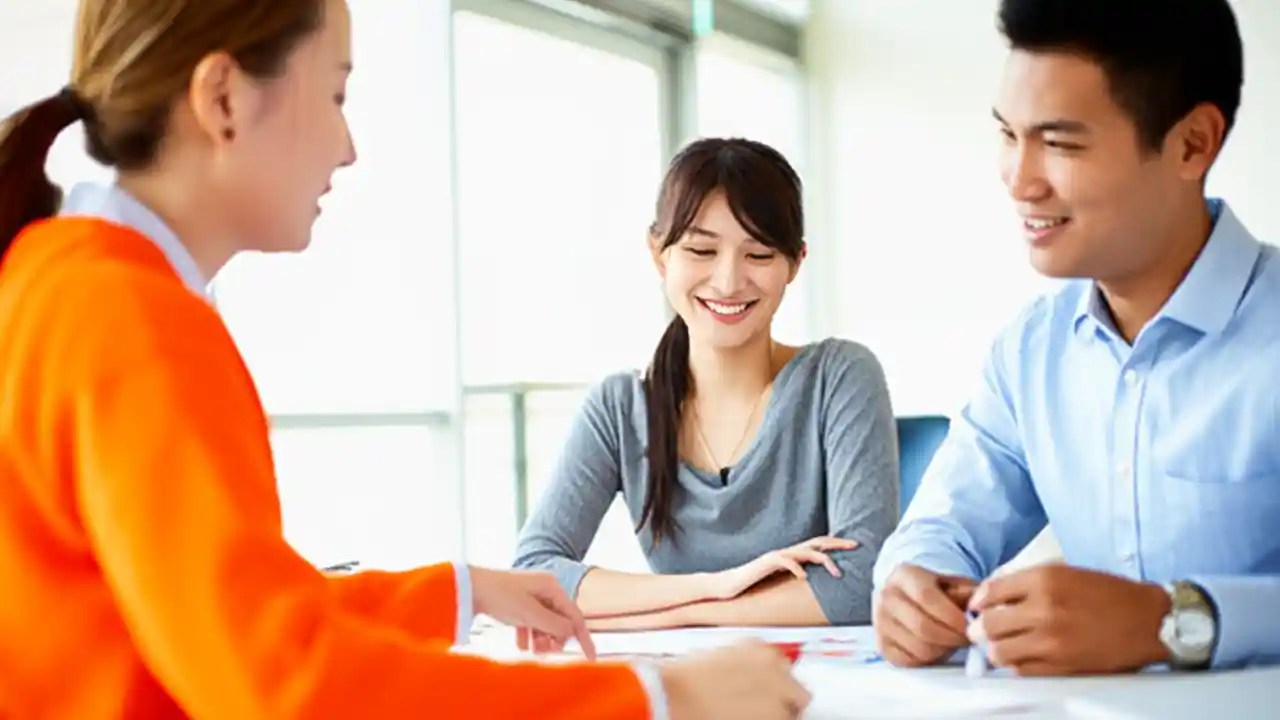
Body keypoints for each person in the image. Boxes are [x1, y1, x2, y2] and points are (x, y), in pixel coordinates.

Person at [0, 2, 811, 718]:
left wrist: (458, 592)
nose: (348, 148)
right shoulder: (135, 320)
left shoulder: (63, 282)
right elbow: (286, 684)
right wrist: (661, 698)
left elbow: (229, 613)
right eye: (336, 94)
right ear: (222, 100)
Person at [873, 0, 1278, 676]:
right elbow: (941, 526)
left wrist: (1170, 620)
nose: (1019, 180)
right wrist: (914, 585)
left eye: (1059, 143)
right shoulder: (1031, 350)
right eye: (1008, 134)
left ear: (1193, 143)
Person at [515, 137, 898, 630]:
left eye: (758, 254)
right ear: (659, 254)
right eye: (700, 249)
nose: (728, 281)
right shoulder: (618, 408)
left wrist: (672, 616)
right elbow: (534, 573)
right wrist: (714, 585)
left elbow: (859, 584)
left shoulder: (839, 377)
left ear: (795, 264)